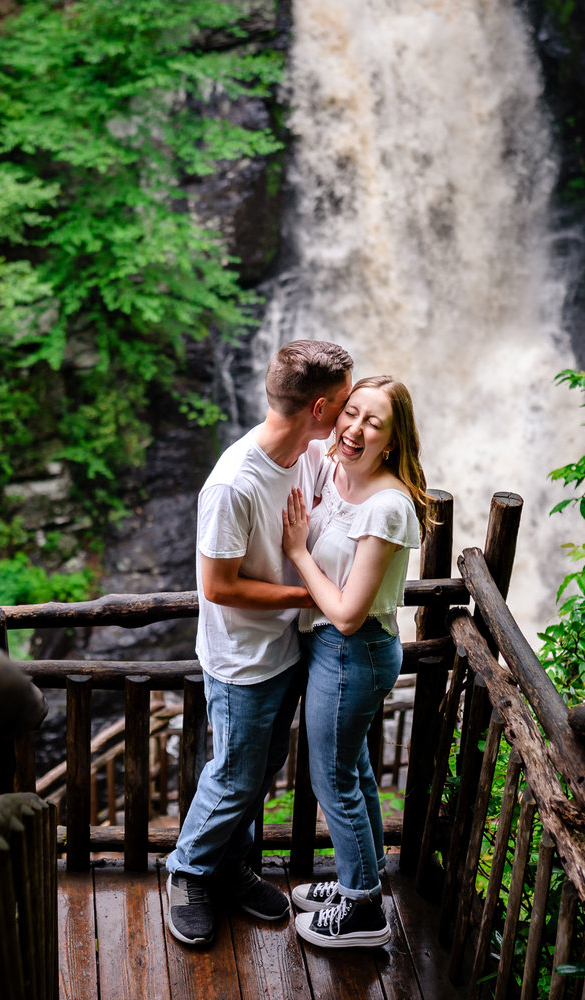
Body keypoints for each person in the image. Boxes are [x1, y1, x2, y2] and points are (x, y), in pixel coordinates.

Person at [164, 340, 354, 948]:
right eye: (347, 404)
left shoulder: (308, 454)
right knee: (234, 776)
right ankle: (187, 872)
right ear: (320, 406)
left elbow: (347, 486)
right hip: (242, 658)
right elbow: (217, 587)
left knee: (262, 768)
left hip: (289, 649)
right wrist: (313, 597)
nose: (349, 417)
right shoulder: (233, 485)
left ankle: (228, 867)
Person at [280, 374, 431, 949]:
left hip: (353, 649)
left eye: (374, 422)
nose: (355, 429)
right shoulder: (334, 468)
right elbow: (287, 434)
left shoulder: (388, 507)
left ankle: (363, 909)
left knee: (334, 778)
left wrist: (297, 551)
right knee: (355, 774)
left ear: (393, 440)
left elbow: (345, 613)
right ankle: (358, 884)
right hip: (332, 649)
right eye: (352, 414)